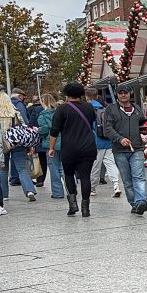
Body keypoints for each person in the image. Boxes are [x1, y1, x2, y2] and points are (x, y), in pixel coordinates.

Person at [50, 82, 98, 217]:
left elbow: (54, 131)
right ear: (81, 93)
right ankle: (85, 208)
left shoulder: (62, 109)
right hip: (88, 147)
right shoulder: (89, 107)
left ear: (66, 94)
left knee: (69, 175)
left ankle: (73, 205)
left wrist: (51, 148)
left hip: (69, 148)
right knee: (85, 177)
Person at [103, 84, 147, 215]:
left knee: (139, 176)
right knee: (127, 179)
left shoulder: (137, 108)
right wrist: (119, 138)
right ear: (117, 94)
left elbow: (142, 123)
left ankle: (141, 201)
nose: (123, 95)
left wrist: (145, 129)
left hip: (137, 148)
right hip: (119, 150)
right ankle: (134, 203)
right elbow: (108, 128)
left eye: (126, 92)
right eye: (120, 93)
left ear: (130, 94)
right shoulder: (111, 109)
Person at [0, 92, 37, 202]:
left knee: (3, 170)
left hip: (1, 144)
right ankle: (29, 190)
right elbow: (24, 126)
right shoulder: (15, 112)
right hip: (16, 142)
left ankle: (4, 194)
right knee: (22, 168)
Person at [87, 89, 121, 197]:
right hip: (108, 141)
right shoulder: (105, 109)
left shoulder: (89, 110)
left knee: (95, 166)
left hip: (96, 142)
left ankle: (92, 188)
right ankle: (116, 185)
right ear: (97, 96)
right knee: (111, 164)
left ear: (87, 97)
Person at [36, 94, 65, 200]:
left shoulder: (43, 115)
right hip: (64, 142)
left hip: (50, 143)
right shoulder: (61, 112)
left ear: (44, 102)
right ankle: (72, 188)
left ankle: (57, 192)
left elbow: (43, 129)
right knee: (64, 168)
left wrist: (38, 131)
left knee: (53, 168)